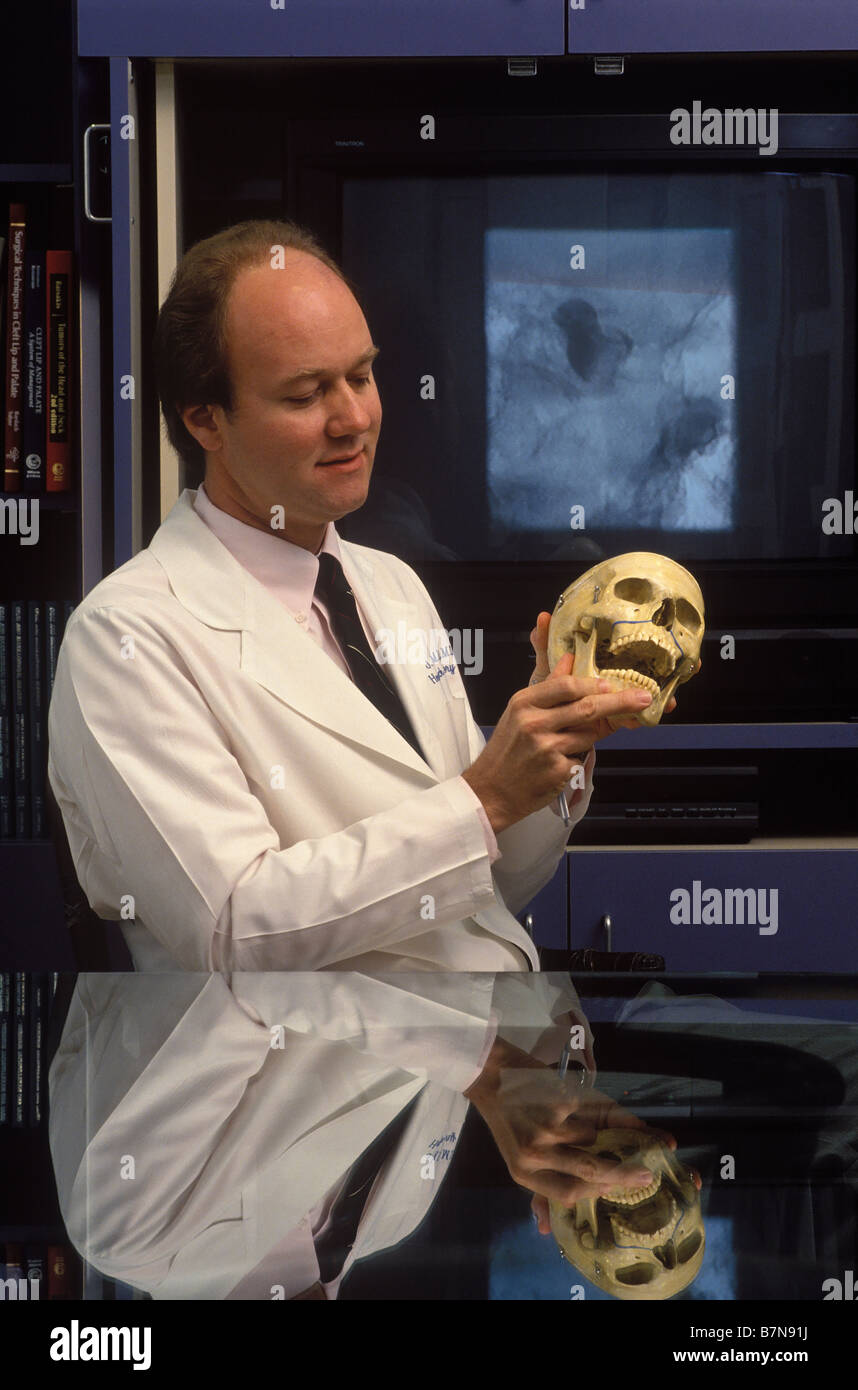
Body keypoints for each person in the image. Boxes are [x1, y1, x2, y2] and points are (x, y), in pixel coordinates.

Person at [47, 219, 654, 973]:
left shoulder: (391, 587)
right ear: (205, 418)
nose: (355, 419)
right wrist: (486, 798)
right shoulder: (126, 638)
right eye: (306, 395)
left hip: (481, 1051)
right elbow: (233, 930)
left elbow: (488, 886)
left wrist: (551, 754)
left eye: (361, 376)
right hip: (309, 1080)